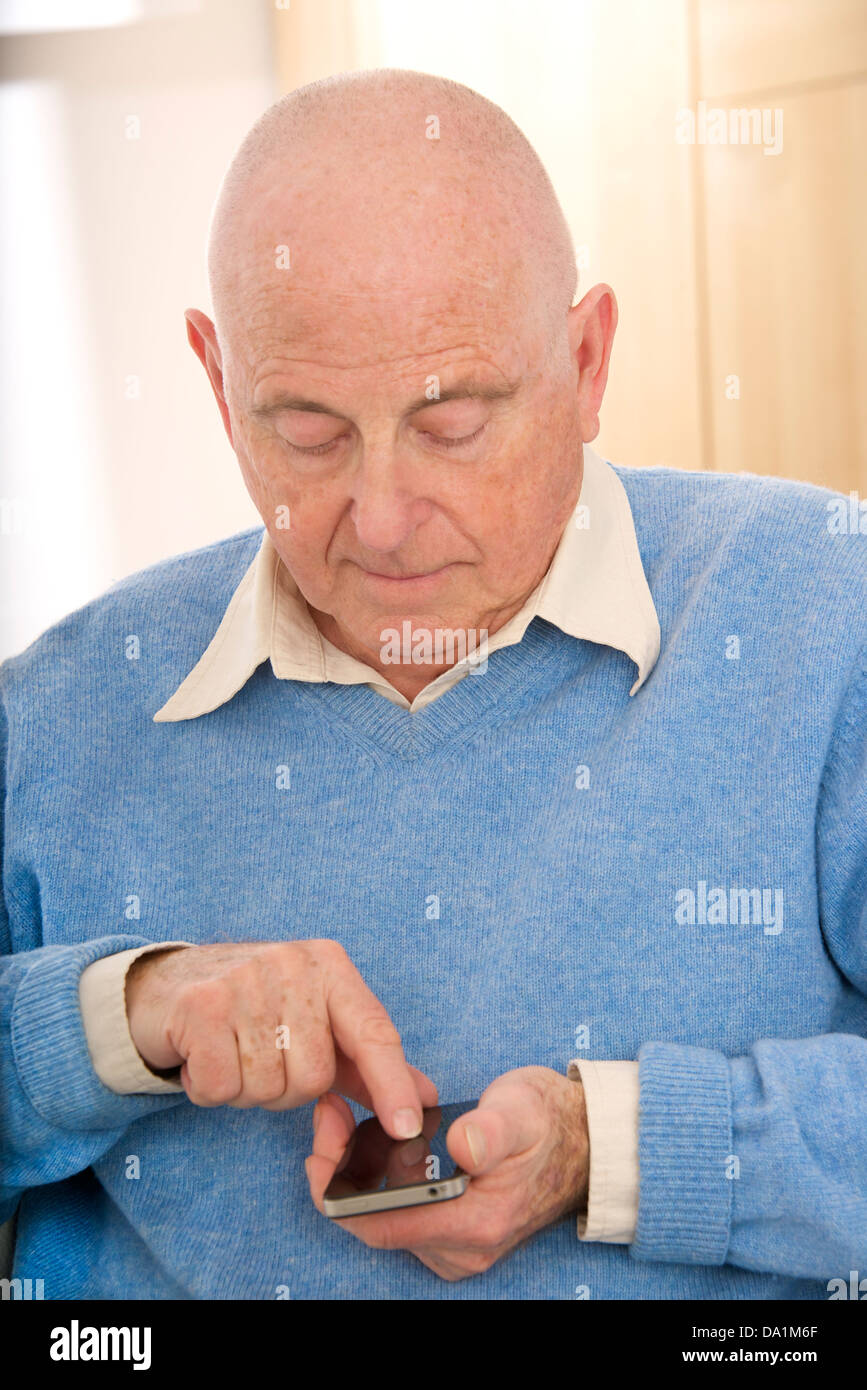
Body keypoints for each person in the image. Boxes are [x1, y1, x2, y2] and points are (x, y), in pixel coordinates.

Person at [1, 67, 865, 1300]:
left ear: (586, 358)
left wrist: (611, 1149)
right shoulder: (53, 711)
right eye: (306, 432)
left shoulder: (826, 610)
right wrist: (117, 1019)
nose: (386, 519)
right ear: (213, 379)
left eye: (453, 422)